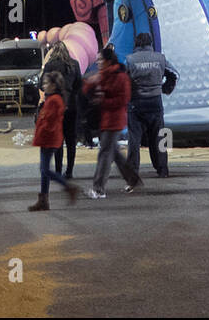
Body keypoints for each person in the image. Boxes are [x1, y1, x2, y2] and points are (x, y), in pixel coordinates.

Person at [83, 46, 141, 198]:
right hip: (105, 119)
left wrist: (103, 101)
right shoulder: (102, 75)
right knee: (113, 152)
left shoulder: (120, 77)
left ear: (108, 61)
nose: (98, 62)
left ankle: (98, 188)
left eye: (100, 60)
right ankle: (132, 178)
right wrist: (91, 82)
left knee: (105, 154)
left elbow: (124, 99)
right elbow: (87, 90)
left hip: (114, 120)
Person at [124, 32, 177, 179]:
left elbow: (124, 80)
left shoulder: (130, 59)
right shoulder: (160, 58)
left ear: (136, 44)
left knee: (134, 139)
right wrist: (165, 89)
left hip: (136, 103)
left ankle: (132, 171)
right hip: (155, 102)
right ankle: (163, 169)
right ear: (150, 43)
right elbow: (175, 74)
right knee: (159, 137)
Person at [29, 72, 78, 210]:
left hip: (49, 139)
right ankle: (43, 200)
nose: (43, 86)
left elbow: (48, 122)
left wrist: (40, 135)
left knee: (45, 170)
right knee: (44, 170)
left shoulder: (54, 100)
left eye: (46, 83)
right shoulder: (51, 99)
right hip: (47, 139)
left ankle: (68, 187)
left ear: (53, 85)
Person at [41, 42, 81, 178]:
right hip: (72, 106)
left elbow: (42, 85)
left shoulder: (50, 65)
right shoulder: (74, 64)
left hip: (55, 107)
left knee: (58, 139)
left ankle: (58, 170)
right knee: (71, 140)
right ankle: (69, 171)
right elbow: (79, 85)